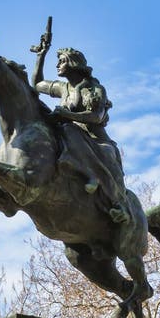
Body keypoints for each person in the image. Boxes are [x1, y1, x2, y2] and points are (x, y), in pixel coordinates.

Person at [32, 36, 129, 224]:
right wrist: (40, 55)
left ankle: (116, 202)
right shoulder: (63, 88)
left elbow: (97, 117)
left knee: (69, 129)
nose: (57, 65)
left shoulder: (96, 89)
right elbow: (37, 84)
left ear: (73, 63)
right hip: (70, 139)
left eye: (61, 61)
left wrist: (68, 115)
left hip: (98, 142)